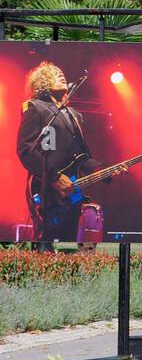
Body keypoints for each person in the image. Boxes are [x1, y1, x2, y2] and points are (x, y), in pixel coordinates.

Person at [17, 61, 102, 245]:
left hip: (73, 188)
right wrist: (55, 177)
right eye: (55, 73)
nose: (62, 75)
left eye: (62, 72)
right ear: (43, 82)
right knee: (46, 239)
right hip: (46, 185)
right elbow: (26, 149)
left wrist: (101, 171)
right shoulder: (36, 107)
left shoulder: (75, 115)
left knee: (69, 240)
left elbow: (81, 153)